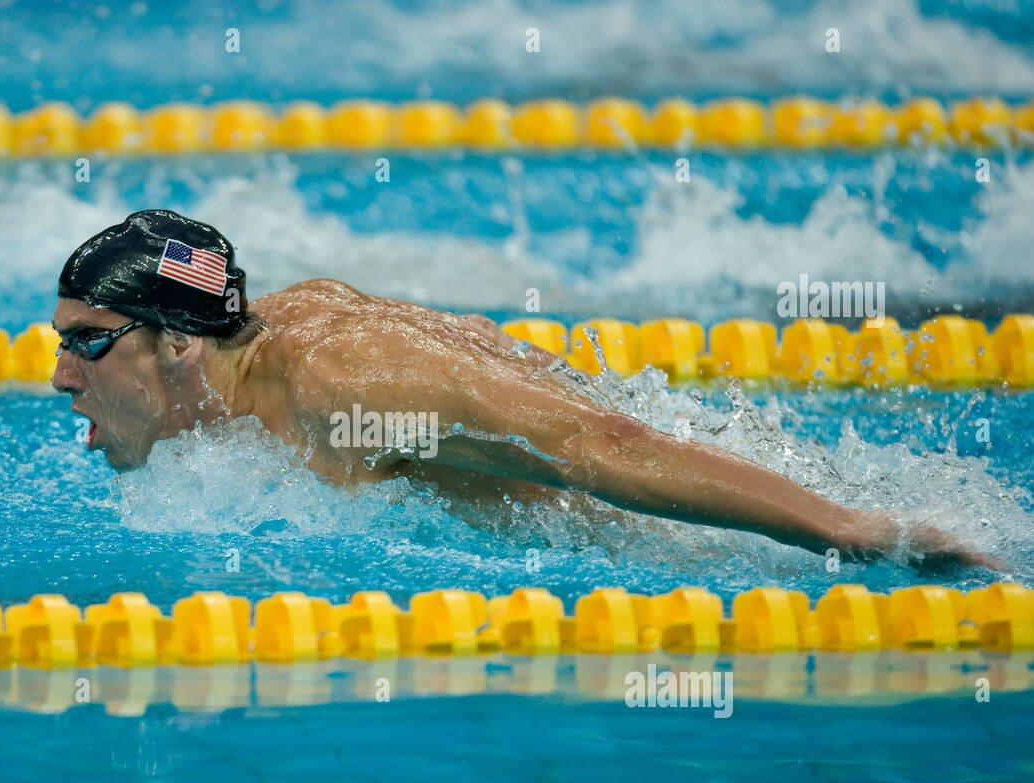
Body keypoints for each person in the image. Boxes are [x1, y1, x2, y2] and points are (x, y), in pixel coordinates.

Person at [51, 209, 1003, 570]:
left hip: (685, 545)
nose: (60, 378)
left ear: (176, 340)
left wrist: (851, 532)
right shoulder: (257, 353)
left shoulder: (336, 384)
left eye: (87, 345)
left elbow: (602, 448)